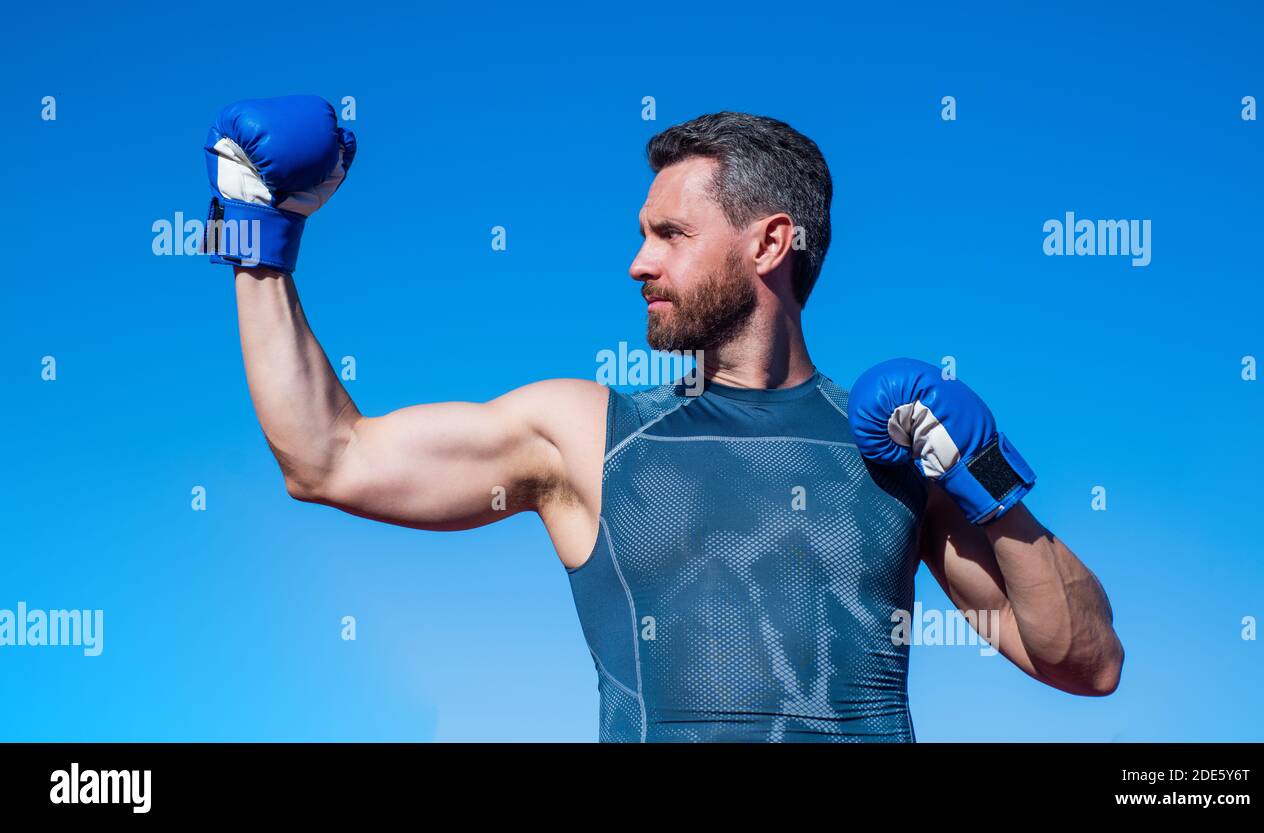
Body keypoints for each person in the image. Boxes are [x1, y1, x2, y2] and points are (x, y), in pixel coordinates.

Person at [204, 95, 1124, 742]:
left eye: (670, 235)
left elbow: (1081, 662)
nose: (637, 264)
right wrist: (258, 232)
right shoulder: (584, 433)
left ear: (770, 241)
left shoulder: (892, 450)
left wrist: (990, 477)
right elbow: (327, 458)